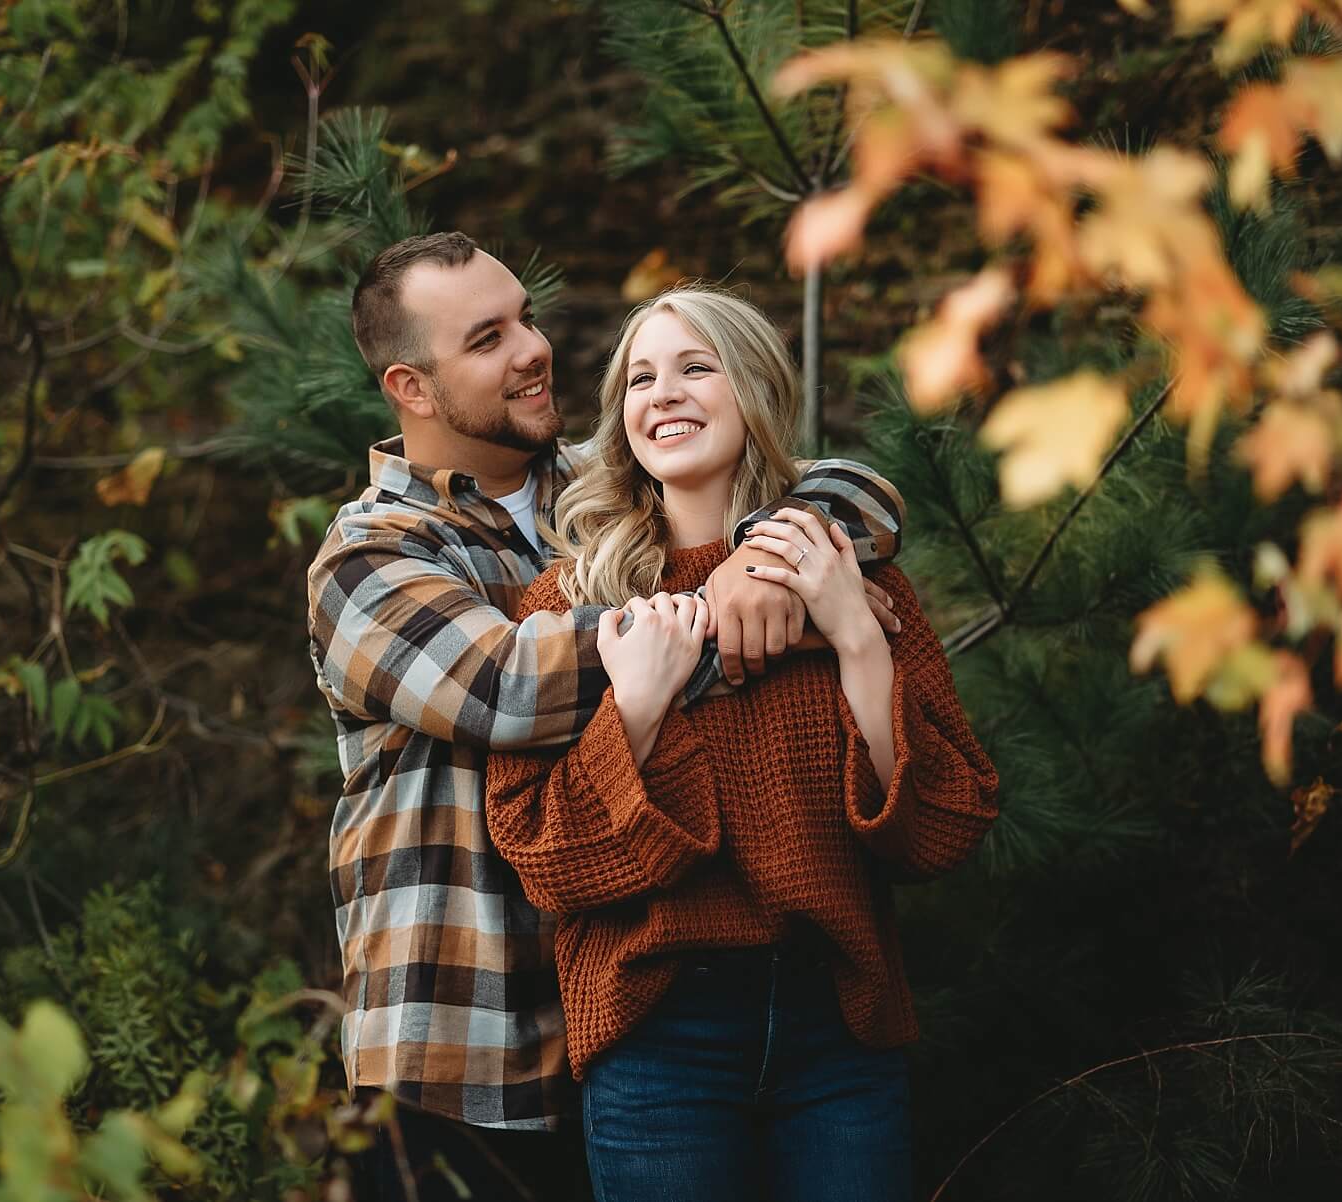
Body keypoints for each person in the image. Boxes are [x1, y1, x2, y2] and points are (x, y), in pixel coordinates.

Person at [306, 234, 910, 1202]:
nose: (533, 348)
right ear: (412, 387)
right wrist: (760, 607)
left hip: (640, 1025)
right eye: (489, 337)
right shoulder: (366, 561)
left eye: (528, 317)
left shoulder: (610, 483)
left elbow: (857, 493)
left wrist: (765, 550)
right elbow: (510, 684)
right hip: (466, 1053)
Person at [483, 288, 1000, 1202]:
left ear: (754, 388)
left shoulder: (857, 578)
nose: (663, 394)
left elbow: (940, 831)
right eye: (641, 378)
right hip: (657, 1037)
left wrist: (857, 641)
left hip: (838, 1026)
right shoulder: (566, 607)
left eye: (695, 367)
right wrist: (634, 713)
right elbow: (545, 862)